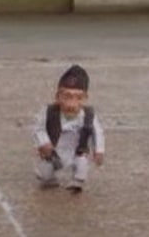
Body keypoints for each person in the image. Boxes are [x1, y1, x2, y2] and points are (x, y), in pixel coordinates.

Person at [32, 64, 105, 193]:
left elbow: (97, 132)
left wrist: (98, 150)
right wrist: (44, 143)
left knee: (81, 165)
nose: (72, 104)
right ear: (58, 96)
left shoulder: (88, 115)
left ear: (85, 98)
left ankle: (77, 181)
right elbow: (39, 129)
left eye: (78, 97)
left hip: (77, 151)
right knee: (45, 173)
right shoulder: (49, 112)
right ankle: (50, 179)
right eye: (67, 96)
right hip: (54, 151)